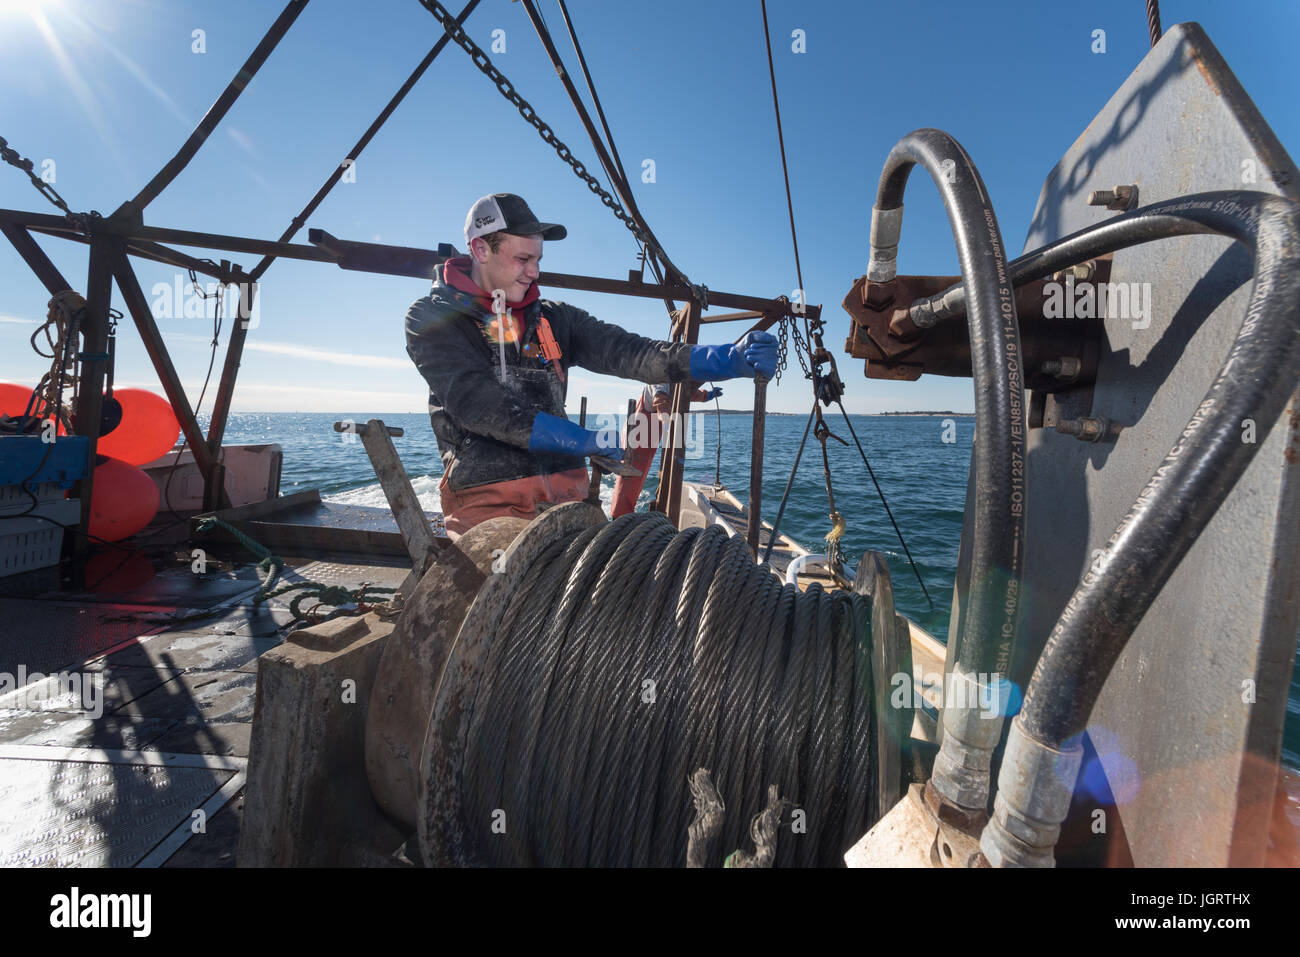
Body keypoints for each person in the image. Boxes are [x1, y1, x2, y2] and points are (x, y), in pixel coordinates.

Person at [405, 192, 777, 539]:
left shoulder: (555, 319)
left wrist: (724, 358)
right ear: (480, 249)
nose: (534, 272)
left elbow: (631, 352)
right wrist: (581, 439)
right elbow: (480, 406)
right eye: (523, 259)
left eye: (538, 261)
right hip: (489, 507)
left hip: (569, 502)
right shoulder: (432, 319)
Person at [610, 382, 721, 518]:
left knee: (638, 477)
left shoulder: (676, 382)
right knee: (629, 478)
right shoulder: (659, 380)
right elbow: (660, 401)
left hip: (649, 439)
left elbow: (687, 392)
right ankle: (619, 517)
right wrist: (669, 424)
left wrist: (707, 395)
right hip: (636, 437)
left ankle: (625, 514)